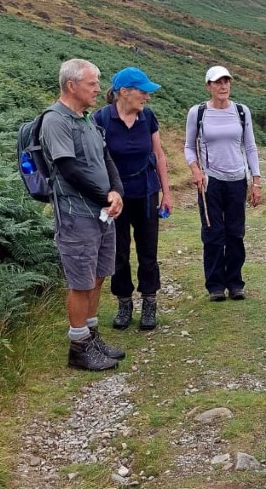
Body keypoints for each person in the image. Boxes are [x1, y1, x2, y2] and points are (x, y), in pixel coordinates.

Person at [39, 58, 125, 371]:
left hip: (102, 213)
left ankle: (92, 336)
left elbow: (105, 158)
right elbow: (68, 169)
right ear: (72, 85)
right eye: (92, 84)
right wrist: (105, 197)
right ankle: (78, 348)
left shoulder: (86, 119)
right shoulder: (55, 120)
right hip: (77, 215)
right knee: (81, 280)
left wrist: (117, 192)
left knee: (98, 275)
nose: (98, 89)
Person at [93, 66, 173, 332]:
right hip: (114, 197)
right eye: (143, 91)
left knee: (148, 251)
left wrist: (167, 193)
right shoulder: (101, 119)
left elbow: (159, 155)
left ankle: (149, 303)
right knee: (118, 253)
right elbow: (93, 161)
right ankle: (124, 303)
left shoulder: (147, 117)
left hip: (147, 192)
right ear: (123, 92)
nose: (147, 97)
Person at [184, 65, 262, 301]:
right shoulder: (197, 113)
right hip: (210, 182)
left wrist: (255, 180)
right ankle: (215, 285)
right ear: (208, 85)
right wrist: (196, 170)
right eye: (217, 82)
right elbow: (189, 146)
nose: (223, 86)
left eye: (226, 81)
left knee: (235, 233)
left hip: (237, 180)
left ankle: (235, 283)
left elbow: (250, 146)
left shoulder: (241, 111)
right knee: (213, 232)